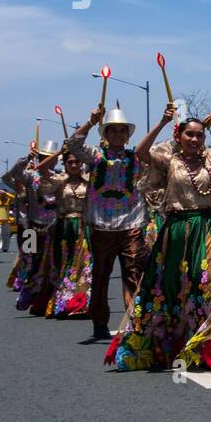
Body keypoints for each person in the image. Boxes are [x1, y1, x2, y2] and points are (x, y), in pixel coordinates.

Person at [105, 105, 211, 374]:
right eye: (189, 134)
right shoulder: (170, 161)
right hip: (175, 231)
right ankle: (169, 342)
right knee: (170, 289)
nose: (195, 139)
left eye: (199, 135)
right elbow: (142, 153)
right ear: (179, 137)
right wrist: (162, 122)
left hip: (206, 228)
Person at [67, 104, 150, 340]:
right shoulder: (95, 156)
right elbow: (72, 145)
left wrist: (167, 122)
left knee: (135, 274)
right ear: (105, 134)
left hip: (131, 224)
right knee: (101, 276)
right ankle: (100, 323)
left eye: (122, 131)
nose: (117, 135)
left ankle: (136, 322)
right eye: (112, 130)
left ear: (128, 135)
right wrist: (91, 121)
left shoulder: (136, 157)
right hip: (102, 226)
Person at [32, 148, 93, 318]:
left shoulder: (89, 181)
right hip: (61, 227)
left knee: (86, 266)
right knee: (64, 264)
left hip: (85, 227)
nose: (74, 165)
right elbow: (41, 169)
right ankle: (63, 301)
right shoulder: (59, 181)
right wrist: (60, 151)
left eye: (77, 162)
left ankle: (83, 303)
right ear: (64, 164)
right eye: (70, 162)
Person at [3, 142, 61, 314]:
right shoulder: (30, 176)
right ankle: (27, 292)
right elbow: (9, 176)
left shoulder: (59, 177)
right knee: (29, 261)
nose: (48, 161)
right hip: (31, 228)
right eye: (44, 157)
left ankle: (48, 297)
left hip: (54, 227)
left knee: (52, 263)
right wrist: (26, 159)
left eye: (52, 158)